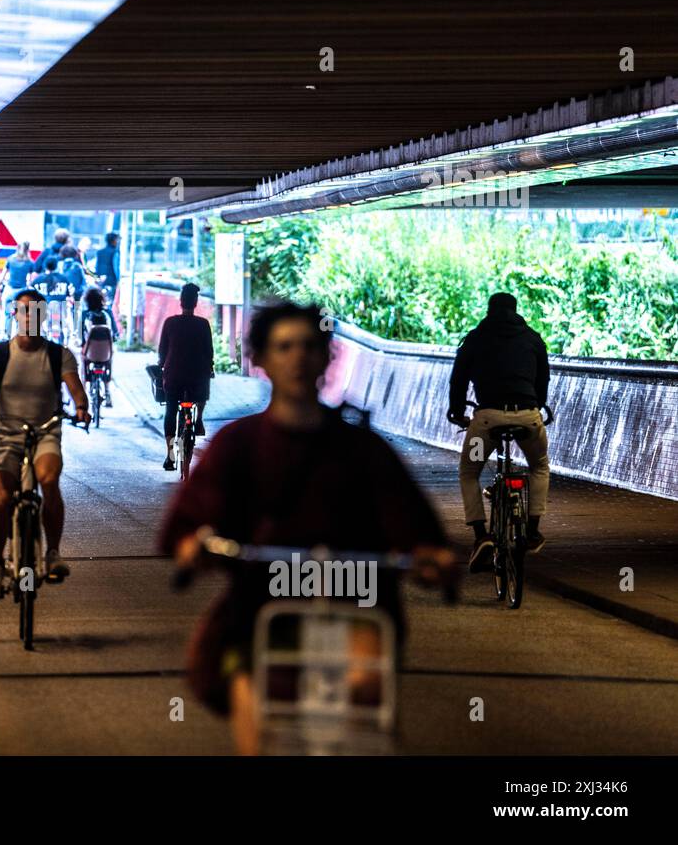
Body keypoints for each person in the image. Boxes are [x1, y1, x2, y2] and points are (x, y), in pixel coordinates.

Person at [158, 301, 456, 755]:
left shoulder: (363, 449)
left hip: (356, 608)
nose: (297, 357)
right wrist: (192, 546)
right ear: (262, 360)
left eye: (308, 347)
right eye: (284, 347)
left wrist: (431, 557)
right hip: (261, 610)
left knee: (365, 697)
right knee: (252, 698)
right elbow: (187, 524)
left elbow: (414, 526)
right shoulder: (237, 445)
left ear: (325, 358)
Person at [0, 289, 90, 603]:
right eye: (24, 311)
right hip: (5, 435)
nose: (29, 316)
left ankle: (53, 554)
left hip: (45, 433)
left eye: (36, 311)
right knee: (1, 500)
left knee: (49, 480)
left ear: (44, 316)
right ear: (15, 315)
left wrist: (81, 407)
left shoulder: (59, 354)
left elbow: (77, 390)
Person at [447, 292, 553, 568]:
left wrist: (457, 411)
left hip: (487, 420)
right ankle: (532, 530)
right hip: (528, 418)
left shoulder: (475, 338)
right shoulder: (533, 338)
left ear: (489, 310)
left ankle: (482, 536)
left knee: (469, 472)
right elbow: (544, 378)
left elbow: (457, 378)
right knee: (539, 466)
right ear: (515, 310)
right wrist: (536, 406)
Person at [157, 283, 214, 469]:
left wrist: (162, 365)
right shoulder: (203, 324)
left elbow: (162, 351)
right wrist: (208, 367)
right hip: (197, 377)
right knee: (203, 389)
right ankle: (198, 420)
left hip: (174, 376)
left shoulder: (170, 322)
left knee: (171, 411)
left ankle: (170, 455)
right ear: (196, 302)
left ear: (180, 302)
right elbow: (209, 352)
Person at [81, 310, 116, 409]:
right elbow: (111, 345)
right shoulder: (107, 329)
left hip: (91, 356)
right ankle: (107, 392)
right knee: (109, 365)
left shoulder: (92, 329)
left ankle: (83, 392)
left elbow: (86, 346)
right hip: (105, 357)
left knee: (83, 363)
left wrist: (83, 353)